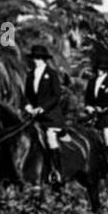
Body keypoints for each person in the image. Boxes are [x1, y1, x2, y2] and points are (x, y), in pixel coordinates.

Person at [23, 44, 66, 184]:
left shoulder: (52, 74)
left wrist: (42, 108)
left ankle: (56, 171)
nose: (36, 60)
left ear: (44, 59)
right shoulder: (30, 75)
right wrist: (28, 106)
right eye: (35, 58)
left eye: (39, 58)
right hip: (33, 116)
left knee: (50, 137)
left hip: (50, 116)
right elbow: (27, 95)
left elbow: (56, 95)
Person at [83, 57, 108, 149]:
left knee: (107, 134)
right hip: (94, 114)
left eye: (102, 69)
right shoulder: (92, 82)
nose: (99, 71)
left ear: (105, 70)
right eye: (98, 69)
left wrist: (105, 108)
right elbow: (88, 98)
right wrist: (88, 107)